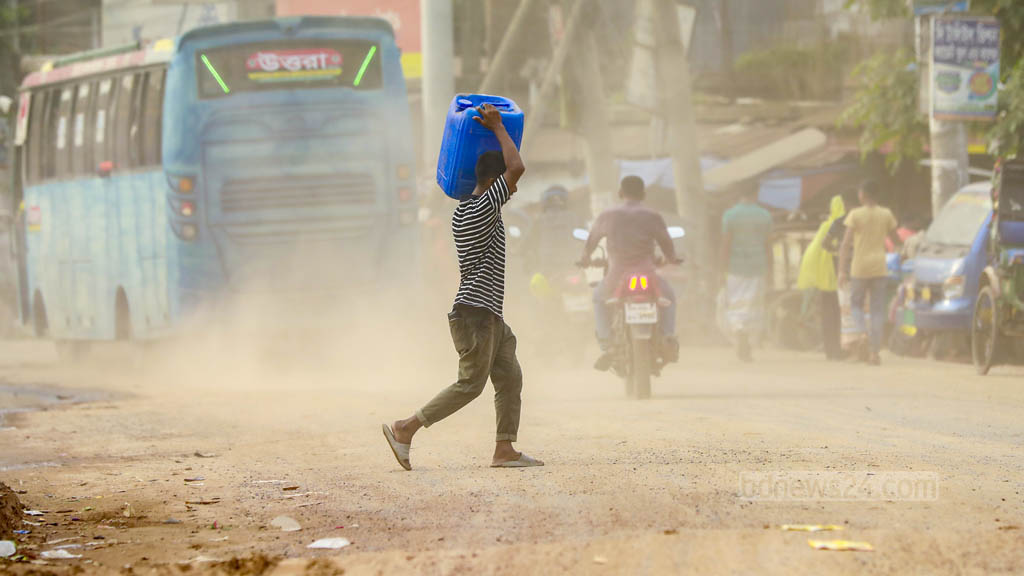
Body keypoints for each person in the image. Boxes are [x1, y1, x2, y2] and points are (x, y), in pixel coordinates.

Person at [382, 104, 542, 470]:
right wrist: (498, 127)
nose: (514, 189)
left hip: (488, 315)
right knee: (470, 384)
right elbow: (517, 167)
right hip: (476, 314)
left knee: (510, 378)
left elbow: (511, 173)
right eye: (507, 184)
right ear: (495, 180)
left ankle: (504, 449)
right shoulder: (484, 207)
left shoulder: (464, 210)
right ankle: (406, 428)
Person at [579, 176, 681, 370]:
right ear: (643, 194)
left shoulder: (608, 215)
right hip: (648, 274)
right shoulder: (652, 215)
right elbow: (666, 243)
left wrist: (585, 258)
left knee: (599, 298)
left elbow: (592, 240)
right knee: (669, 297)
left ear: (620, 193)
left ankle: (607, 344)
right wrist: (672, 258)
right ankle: (667, 337)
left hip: (616, 275)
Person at [839, 180, 902, 365]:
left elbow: (845, 244)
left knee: (856, 304)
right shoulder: (886, 214)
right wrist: (903, 253)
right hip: (879, 267)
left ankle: (862, 333)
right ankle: (874, 352)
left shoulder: (855, 214)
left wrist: (841, 270)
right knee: (877, 310)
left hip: (859, 267)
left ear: (862, 195)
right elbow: (897, 241)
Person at [720, 188, 772, 361]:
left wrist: (722, 270)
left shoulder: (730, 215)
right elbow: (768, 244)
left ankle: (739, 330)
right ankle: (747, 339)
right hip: (758, 266)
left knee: (736, 304)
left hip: (735, 267)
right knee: (753, 305)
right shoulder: (764, 215)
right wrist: (770, 270)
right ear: (756, 194)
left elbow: (726, 244)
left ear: (739, 196)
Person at [797, 195, 846, 360]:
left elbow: (812, 253)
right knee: (839, 313)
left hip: (824, 277)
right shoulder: (842, 225)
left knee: (828, 313)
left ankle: (830, 350)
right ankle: (838, 349)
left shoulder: (826, 225)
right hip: (837, 274)